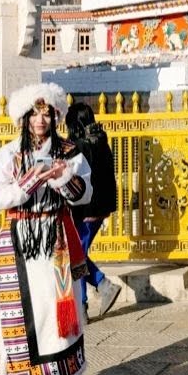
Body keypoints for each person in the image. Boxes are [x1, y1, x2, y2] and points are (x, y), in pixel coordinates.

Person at [0, 83, 95, 375]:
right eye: (34, 113)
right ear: (23, 117)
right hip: (18, 239)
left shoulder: (71, 152)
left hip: (58, 239)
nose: (40, 120)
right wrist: (28, 182)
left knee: (64, 312)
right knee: (20, 318)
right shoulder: (6, 155)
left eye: (47, 113)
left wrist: (62, 179)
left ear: (56, 116)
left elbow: (85, 194)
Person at [65, 101, 121, 319]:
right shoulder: (101, 139)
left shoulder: (77, 145)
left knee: (76, 256)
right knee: (77, 254)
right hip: (101, 207)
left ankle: (86, 301)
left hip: (84, 209)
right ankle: (100, 286)